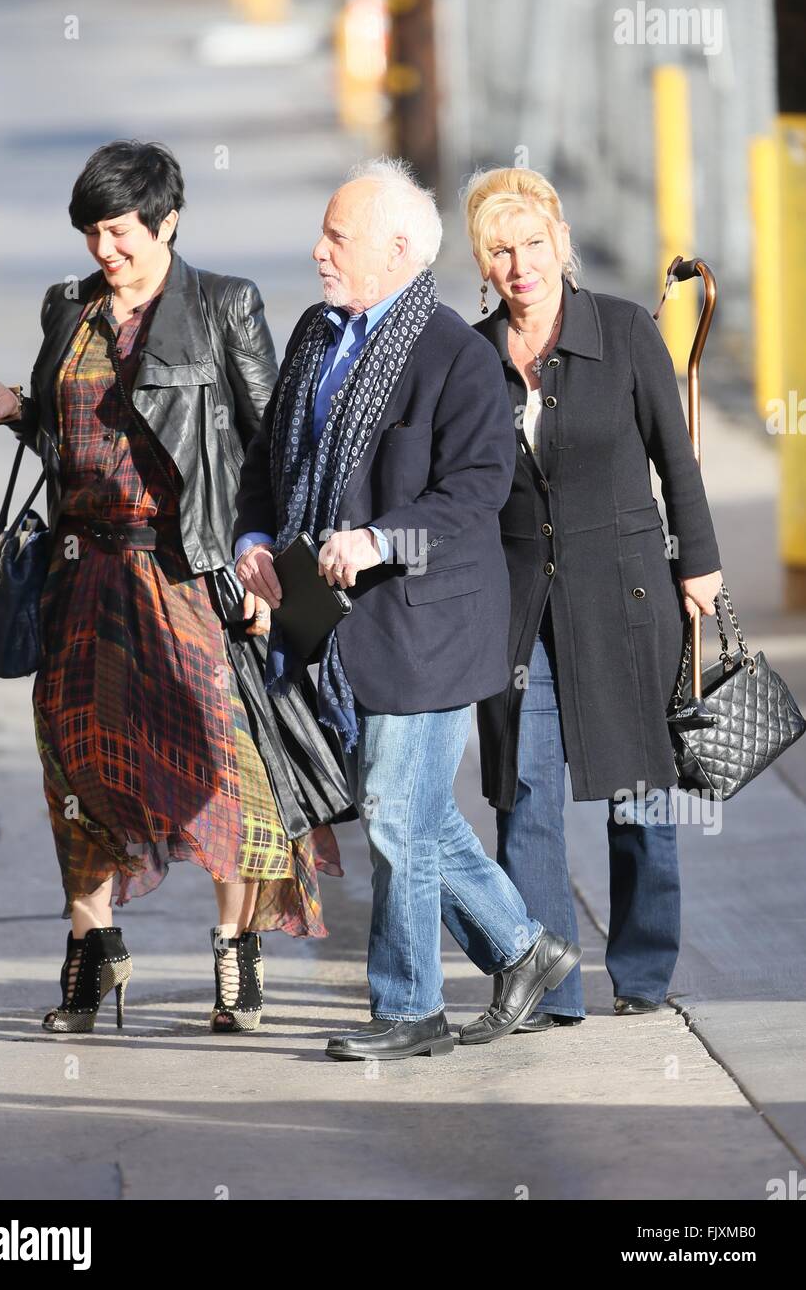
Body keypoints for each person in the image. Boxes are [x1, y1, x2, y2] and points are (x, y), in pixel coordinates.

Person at [0, 140, 349, 1036]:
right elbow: (73, 436)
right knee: (78, 772)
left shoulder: (222, 306)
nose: (106, 248)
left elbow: (273, 446)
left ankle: (234, 954)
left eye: (122, 229)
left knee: (223, 769)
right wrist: (17, 409)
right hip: (80, 579)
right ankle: (93, 953)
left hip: (185, 577)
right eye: (94, 231)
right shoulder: (68, 309)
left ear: (167, 221)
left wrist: (265, 564)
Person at [233, 157, 581, 1060]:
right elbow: (265, 459)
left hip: (430, 622)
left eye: (336, 238)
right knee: (410, 810)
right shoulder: (315, 333)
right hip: (333, 626)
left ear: (396, 251)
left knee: (394, 810)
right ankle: (524, 949)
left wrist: (380, 540)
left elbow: (475, 490)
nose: (317, 251)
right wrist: (254, 543)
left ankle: (410, 1008)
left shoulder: (455, 356)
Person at [464, 166, 722, 1027]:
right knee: (525, 792)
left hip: (626, 590)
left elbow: (673, 458)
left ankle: (644, 972)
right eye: (501, 250)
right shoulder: (474, 357)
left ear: (561, 244)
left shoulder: (622, 331)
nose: (520, 264)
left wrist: (701, 563)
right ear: (484, 264)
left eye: (533, 243)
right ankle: (550, 984)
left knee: (638, 786)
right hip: (518, 611)